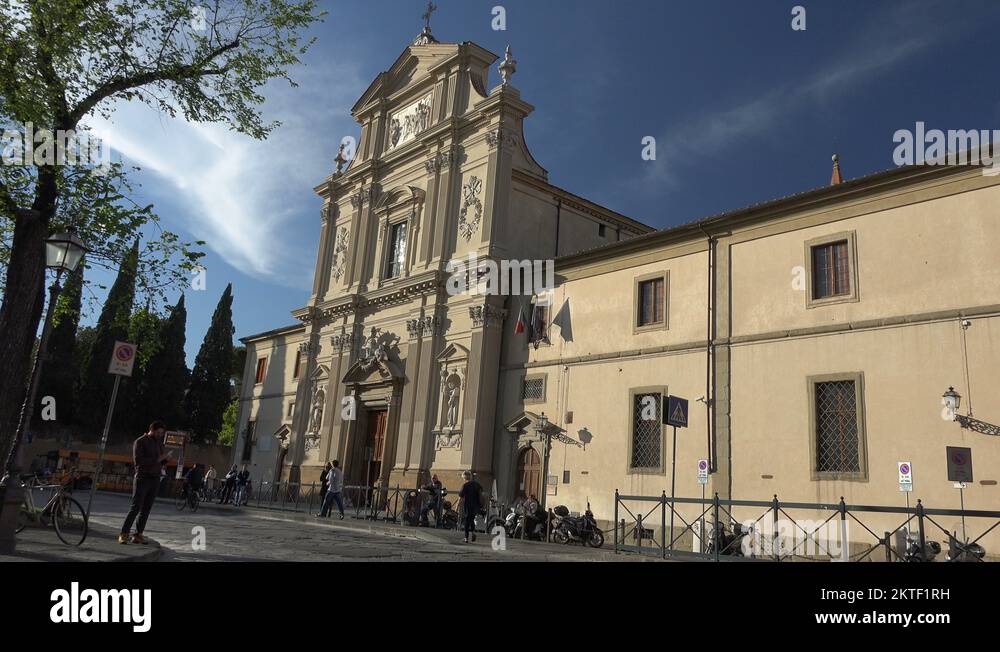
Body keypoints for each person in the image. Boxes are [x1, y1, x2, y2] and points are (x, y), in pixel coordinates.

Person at [119, 421, 172, 544]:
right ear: (152, 430)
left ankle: (138, 534)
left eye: (162, 433)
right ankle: (124, 533)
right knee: (135, 507)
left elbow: (158, 463)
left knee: (146, 509)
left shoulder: (159, 443)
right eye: (158, 432)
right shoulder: (140, 441)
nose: (160, 435)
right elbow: (139, 461)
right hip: (142, 478)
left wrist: (165, 460)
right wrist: (159, 458)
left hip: (155, 479)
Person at [458, 470, 483, 544]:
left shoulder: (465, 485)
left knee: (467, 521)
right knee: (471, 519)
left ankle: (466, 538)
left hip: (468, 505)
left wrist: (457, 505)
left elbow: (461, 495)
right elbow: (482, 491)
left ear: (464, 477)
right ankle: (473, 532)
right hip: (476, 506)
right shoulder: (477, 484)